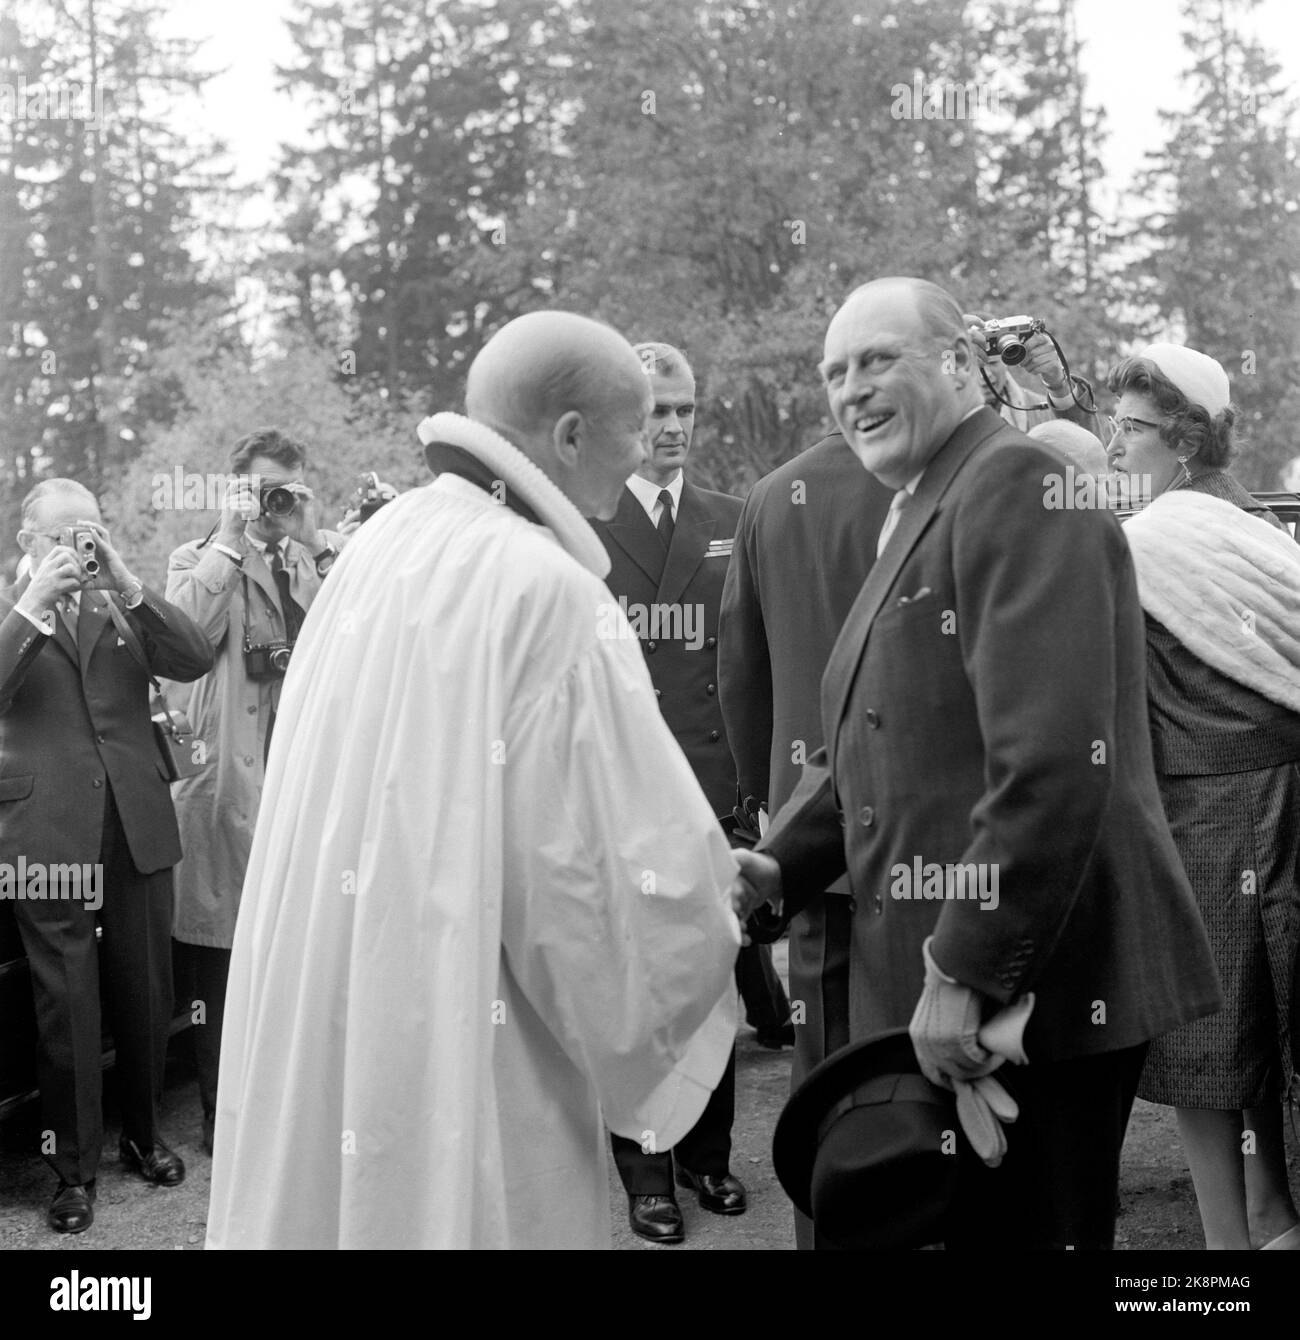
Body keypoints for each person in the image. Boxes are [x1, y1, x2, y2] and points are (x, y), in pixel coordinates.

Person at [205, 311, 741, 1250]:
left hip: (343, 990)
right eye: (633, 428)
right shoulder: (548, 590)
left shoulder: (377, 547)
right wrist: (723, 900)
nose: (643, 457)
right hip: (467, 1028)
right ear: (572, 435)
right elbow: (598, 889)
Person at [730, 277, 1222, 1249]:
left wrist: (963, 967)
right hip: (971, 976)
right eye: (834, 372)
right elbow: (879, 736)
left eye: (877, 359)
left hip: (1034, 986)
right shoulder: (924, 499)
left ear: (959, 363)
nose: (850, 389)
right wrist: (778, 864)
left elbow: (1050, 764)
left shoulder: (1015, 485)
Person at [1108, 344, 1300, 1251]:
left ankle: (1231, 1246)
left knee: (1209, 1040)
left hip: (1201, 820)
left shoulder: (1150, 543)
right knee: (1259, 1027)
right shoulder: (1252, 521)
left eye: (1132, 428)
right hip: (1282, 804)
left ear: (1184, 437)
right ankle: (1269, 1218)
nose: (1114, 444)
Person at [0, 480, 213, 1233]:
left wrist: (130, 583)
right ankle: (72, 1172)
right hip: (48, 830)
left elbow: (195, 656)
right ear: (28, 542)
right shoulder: (8, 608)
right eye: (63, 534)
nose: (78, 546)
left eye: (90, 530)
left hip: (135, 817)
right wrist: (30, 608)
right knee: (67, 1005)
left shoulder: (119, 603)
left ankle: (143, 1139)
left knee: (145, 989)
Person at [587, 340, 764, 1244]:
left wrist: (757, 790)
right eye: (655, 411)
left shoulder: (736, 516)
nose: (672, 427)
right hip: (622, 791)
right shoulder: (582, 523)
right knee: (637, 986)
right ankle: (644, 1169)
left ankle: (709, 1154)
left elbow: (752, 667)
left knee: (713, 976)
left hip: (710, 791)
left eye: (685, 409)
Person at [717, 423, 893, 1248]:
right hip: (932, 833)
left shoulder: (772, 497)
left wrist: (769, 804)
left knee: (824, 1057)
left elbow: (740, 662)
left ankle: (822, 1232)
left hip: (809, 830)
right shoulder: (941, 479)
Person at [164, 429, 344, 1156]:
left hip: (304, 770)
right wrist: (232, 540)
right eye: (264, 489)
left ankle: (295, 1106)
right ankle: (222, 1113)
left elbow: (364, 636)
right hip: (228, 775)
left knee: (300, 947)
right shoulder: (198, 556)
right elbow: (181, 642)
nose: (274, 504)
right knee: (222, 953)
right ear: (234, 486)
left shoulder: (313, 558)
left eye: (287, 490)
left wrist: (315, 540)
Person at [965, 309, 1105, 440]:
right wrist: (947, 349)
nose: (985, 375)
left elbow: (1086, 449)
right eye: (974, 365)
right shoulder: (948, 414)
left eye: (993, 363)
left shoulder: (1040, 411)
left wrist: (1057, 382)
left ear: (1005, 360)